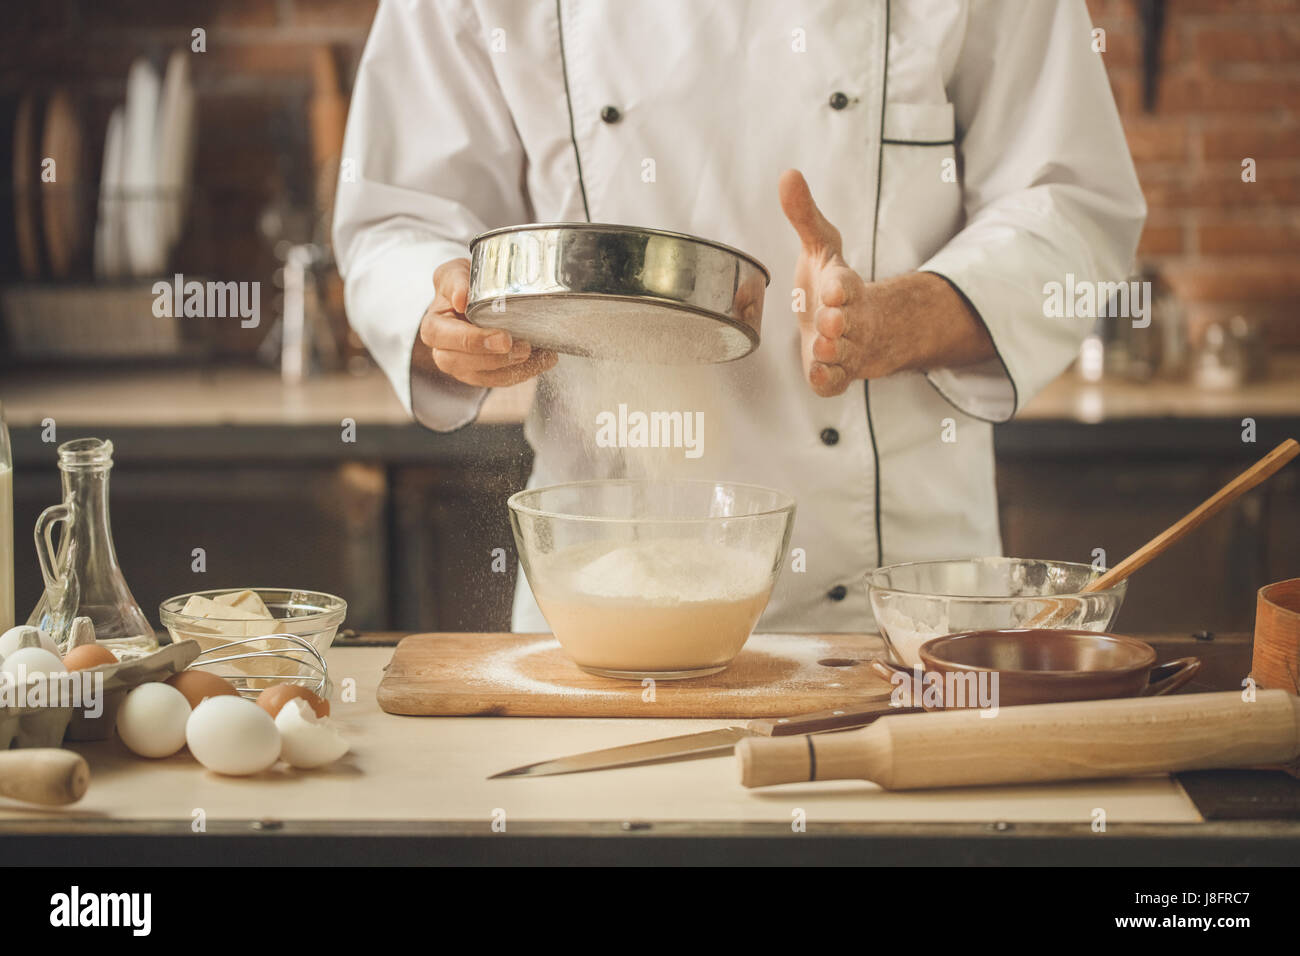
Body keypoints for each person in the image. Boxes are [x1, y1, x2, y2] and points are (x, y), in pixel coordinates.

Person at [333, 0, 1146, 632]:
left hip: (898, 605)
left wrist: (904, 320)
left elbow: (1071, 203)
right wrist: (445, 314)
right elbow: (397, 216)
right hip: (598, 595)